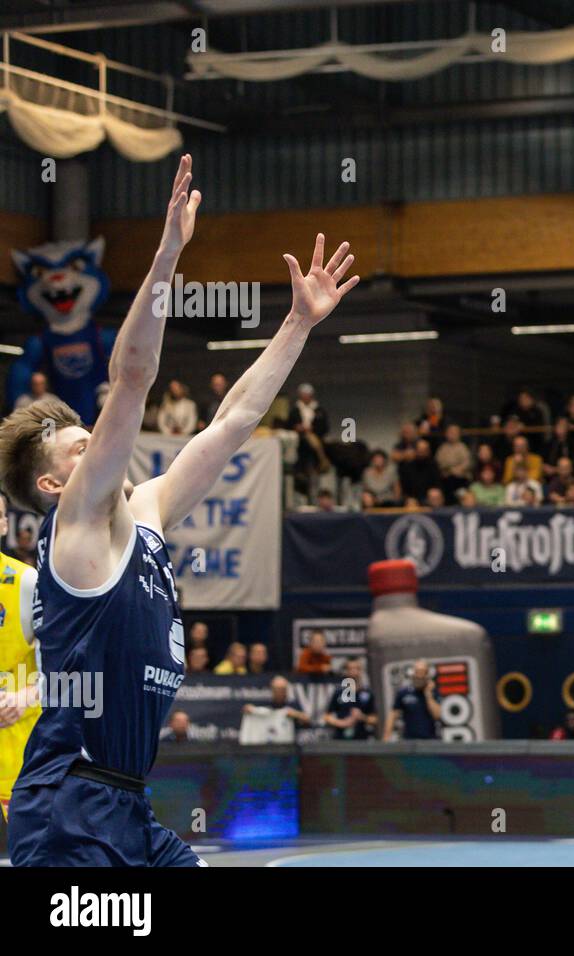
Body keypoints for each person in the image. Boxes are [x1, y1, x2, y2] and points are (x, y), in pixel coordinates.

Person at [0, 156, 359, 866]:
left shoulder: (150, 508)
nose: (99, 449)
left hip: (126, 804)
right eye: (81, 447)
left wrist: (296, 323)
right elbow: (131, 379)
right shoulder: (76, 529)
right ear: (51, 488)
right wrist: (167, 255)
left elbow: (232, 423)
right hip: (67, 810)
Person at [0, 493, 37, 821]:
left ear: (3, 524)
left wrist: (28, 695)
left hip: (17, 754)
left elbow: (69, 659)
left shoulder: (28, 582)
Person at [382, 660, 442, 741]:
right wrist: (386, 736)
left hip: (430, 741)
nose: (419, 676)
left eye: (422, 672)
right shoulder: (404, 692)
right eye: (417, 672)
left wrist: (428, 695)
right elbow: (393, 714)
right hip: (409, 741)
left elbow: (437, 715)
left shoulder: (433, 692)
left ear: (427, 675)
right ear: (413, 673)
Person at [324, 657, 378, 741]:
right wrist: (342, 723)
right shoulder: (339, 692)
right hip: (341, 738)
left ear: (361, 671)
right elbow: (327, 717)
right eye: (351, 668)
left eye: (357, 668)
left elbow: (374, 719)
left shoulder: (367, 693)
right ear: (346, 671)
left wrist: (362, 717)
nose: (354, 671)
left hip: (361, 739)